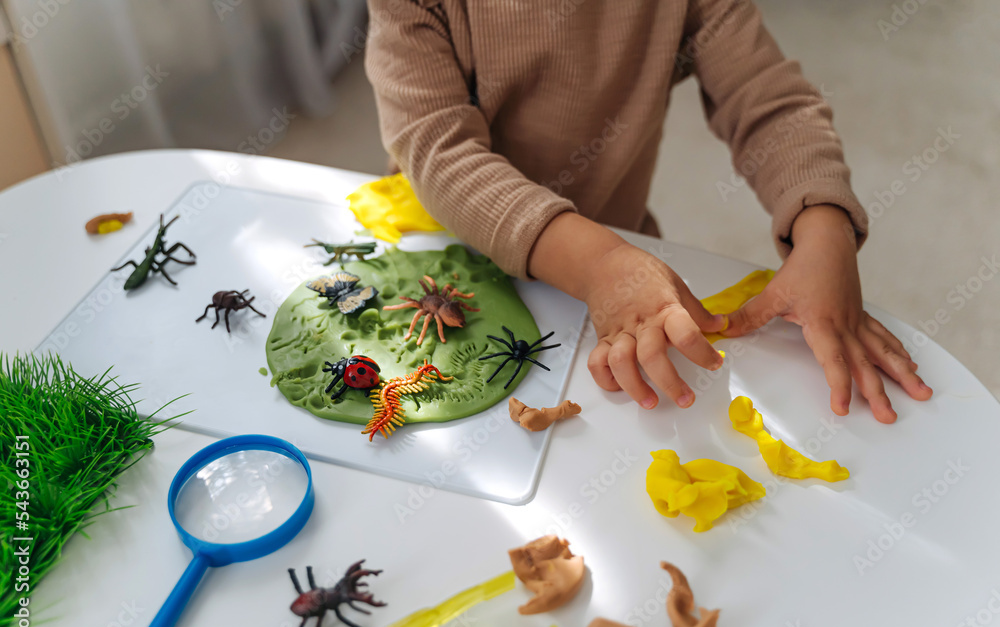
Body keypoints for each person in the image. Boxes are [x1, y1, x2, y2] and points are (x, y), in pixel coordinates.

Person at [364, 0, 933, 423]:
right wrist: (596, 264)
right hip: (441, 257)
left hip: (622, 270)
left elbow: (767, 98)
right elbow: (439, 150)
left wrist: (824, 229)